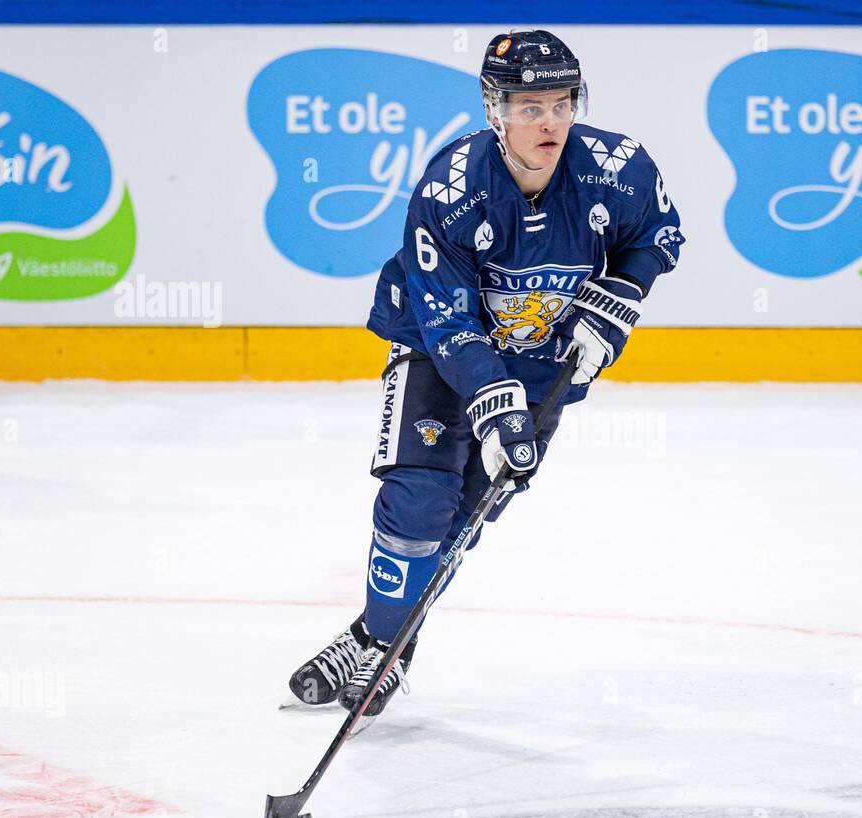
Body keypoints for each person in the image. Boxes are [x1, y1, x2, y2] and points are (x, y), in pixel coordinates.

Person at [287, 29, 685, 716]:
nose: (551, 122)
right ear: (494, 109)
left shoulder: (618, 169)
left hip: (542, 364)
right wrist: (493, 404)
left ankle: (373, 640)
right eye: (531, 107)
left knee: (464, 520)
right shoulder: (452, 189)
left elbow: (659, 233)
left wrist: (621, 297)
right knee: (419, 501)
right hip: (440, 352)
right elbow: (448, 320)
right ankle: (385, 642)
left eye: (563, 103)